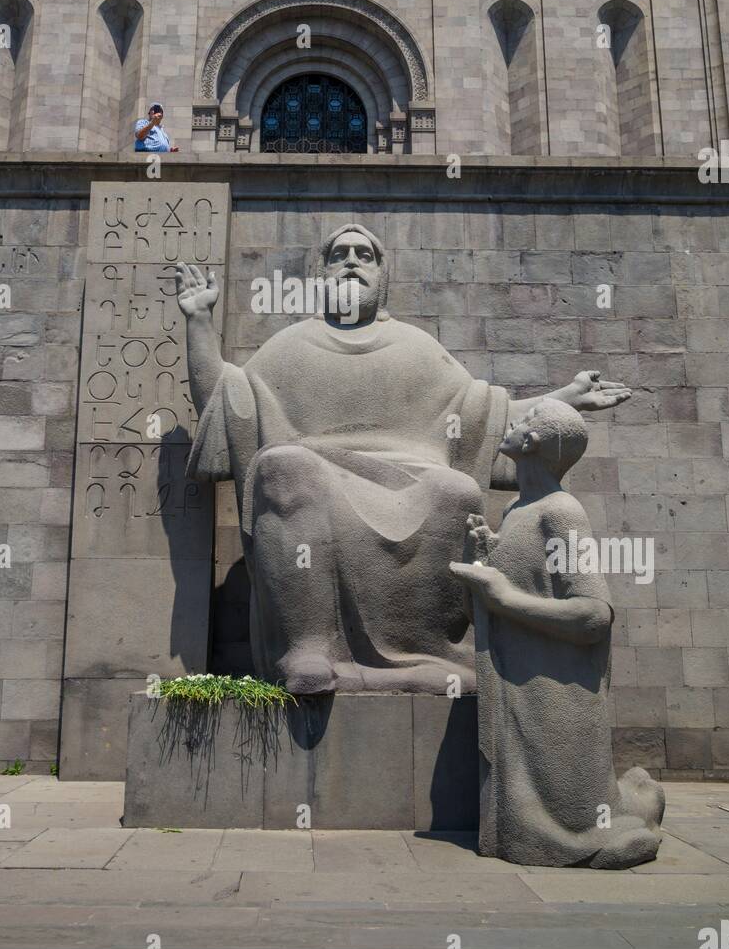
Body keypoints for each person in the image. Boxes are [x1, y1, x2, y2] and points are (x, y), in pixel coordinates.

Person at [175, 222, 632, 695]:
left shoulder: (416, 349)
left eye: (364, 255)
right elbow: (227, 409)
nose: (352, 261)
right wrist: (199, 323)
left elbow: (484, 419)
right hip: (315, 481)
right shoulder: (287, 348)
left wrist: (565, 399)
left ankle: (424, 651)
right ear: (322, 273)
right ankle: (310, 648)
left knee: (455, 488)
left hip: (409, 479)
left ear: (382, 275)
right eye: (339, 255)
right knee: (286, 468)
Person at [450, 399, 664, 868]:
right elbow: (493, 602)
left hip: (557, 697)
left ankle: (617, 825)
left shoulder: (562, 512)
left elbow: (593, 614)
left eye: (525, 419)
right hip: (519, 690)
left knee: (571, 818)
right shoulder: (514, 510)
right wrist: (482, 558)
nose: (513, 419)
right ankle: (628, 806)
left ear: (532, 443)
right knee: (524, 814)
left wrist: (504, 596)